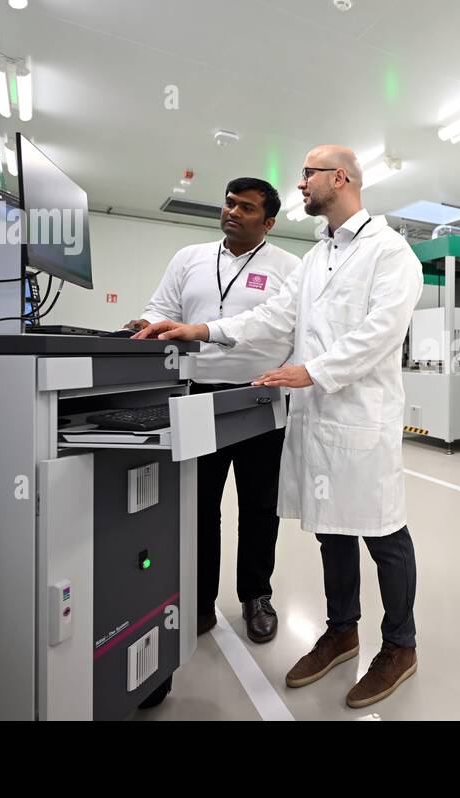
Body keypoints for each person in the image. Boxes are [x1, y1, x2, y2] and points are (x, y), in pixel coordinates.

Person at [135, 145, 423, 709]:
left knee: (384, 532)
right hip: (315, 417)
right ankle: (342, 630)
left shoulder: (391, 253)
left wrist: (309, 371)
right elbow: (274, 316)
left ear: (339, 177)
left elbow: (380, 333)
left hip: (362, 418)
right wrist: (200, 331)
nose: (301, 184)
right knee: (331, 527)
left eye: (308, 175)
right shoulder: (316, 257)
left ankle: (400, 646)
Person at [125, 178, 299, 643]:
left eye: (246, 207)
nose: (233, 212)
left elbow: (293, 329)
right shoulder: (190, 258)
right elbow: (160, 307)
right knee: (199, 504)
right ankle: (198, 600)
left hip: (261, 398)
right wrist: (145, 322)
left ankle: (256, 596)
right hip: (198, 395)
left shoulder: (289, 267)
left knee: (261, 506)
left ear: (268, 222)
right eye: (229, 203)